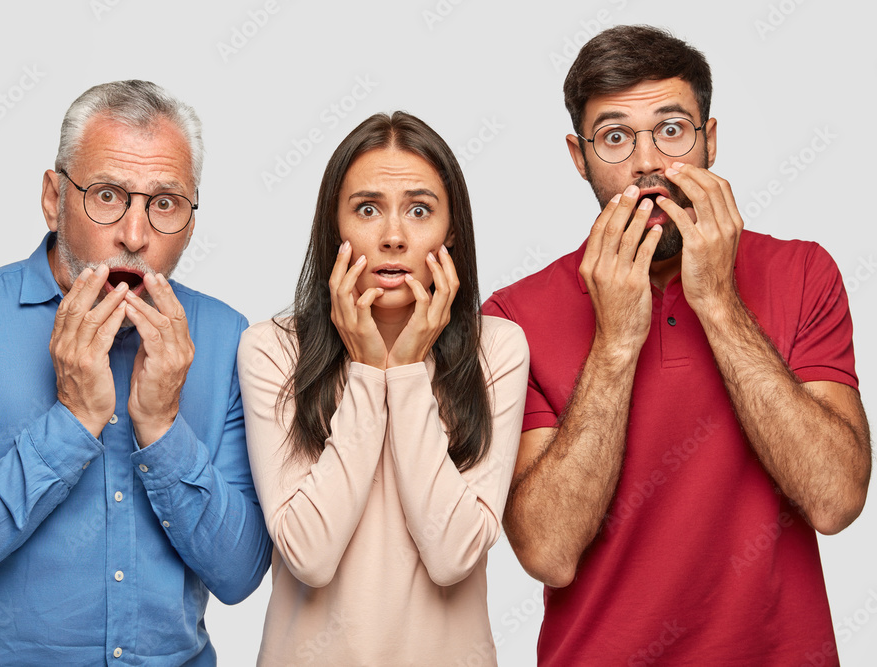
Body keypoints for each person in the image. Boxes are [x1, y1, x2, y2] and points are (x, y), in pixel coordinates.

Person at [484, 25, 871, 666]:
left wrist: (718, 303)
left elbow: (834, 500)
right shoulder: (510, 316)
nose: (646, 164)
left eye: (671, 131)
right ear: (578, 159)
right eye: (614, 137)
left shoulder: (804, 273)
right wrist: (613, 345)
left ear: (710, 141)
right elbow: (548, 552)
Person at [0, 80, 271, 666]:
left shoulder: (226, 338)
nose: (135, 236)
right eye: (109, 196)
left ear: (191, 220)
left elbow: (241, 576)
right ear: (53, 198)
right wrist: (71, 424)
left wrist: (163, 429)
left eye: (164, 203)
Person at [237, 111, 529, 665]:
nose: (394, 237)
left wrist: (408, 371)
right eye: (367, 209)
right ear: (334, 229)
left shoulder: (499, 349)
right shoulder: (271, 349)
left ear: (451, 231)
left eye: (420, 211)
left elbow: (452, 555)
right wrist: (370, 374)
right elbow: (309, 555)